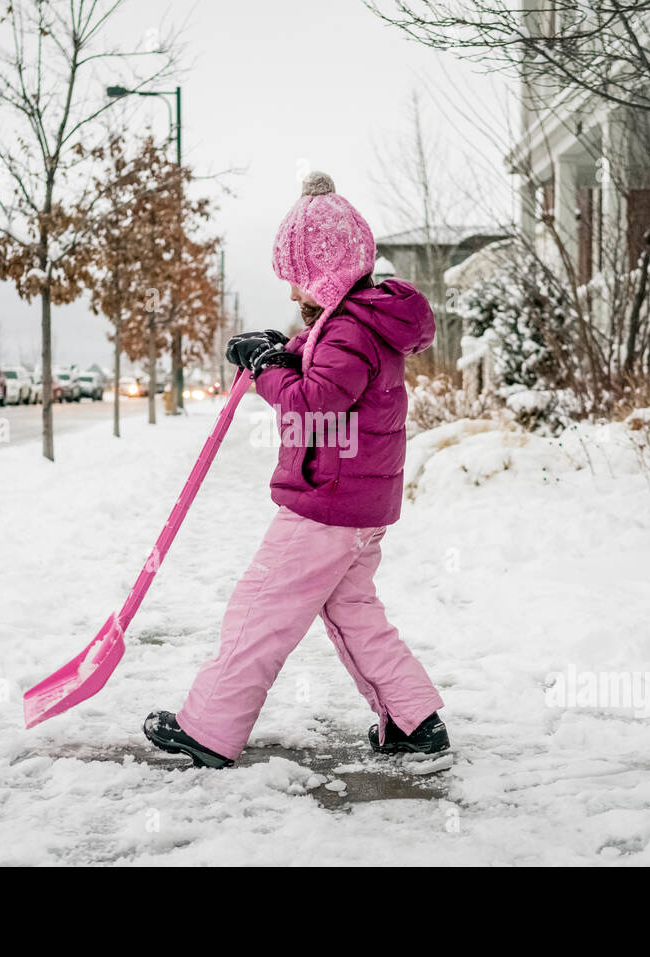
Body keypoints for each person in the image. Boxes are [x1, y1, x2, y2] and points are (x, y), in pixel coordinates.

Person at [144, 172, 448, 768]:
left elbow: (314, 402)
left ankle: (208, 729)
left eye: (297, 279)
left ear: (325, 274)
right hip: (355, 508)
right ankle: (416, 726)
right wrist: (280, 351)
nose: (291, 295)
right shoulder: (363, 321)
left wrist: (264, 371)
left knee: (260, 609)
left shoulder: (349, 327)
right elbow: (324, 371)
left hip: (325, 506)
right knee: (354, 615)